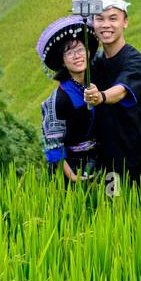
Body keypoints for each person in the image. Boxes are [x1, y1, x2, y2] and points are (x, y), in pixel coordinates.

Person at [81, 0, 141, 202]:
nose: (106, 25)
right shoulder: (96, 63)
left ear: (125, 22)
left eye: (113, 18)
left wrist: (100, 96)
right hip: (113, 161)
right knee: (115, 215)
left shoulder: (134, 61)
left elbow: (121, 90)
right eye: (99, 19)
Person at [35, 16, 101, 183]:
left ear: (88, 52)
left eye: (80, 50)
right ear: (63, 61)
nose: (76, 56)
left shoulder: (96, 83)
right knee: (76, 208)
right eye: (69, 52)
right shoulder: (59, 100)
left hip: (97, 162)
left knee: (106, 205)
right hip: (70, 171)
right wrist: (73, 177)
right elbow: (53, 146)